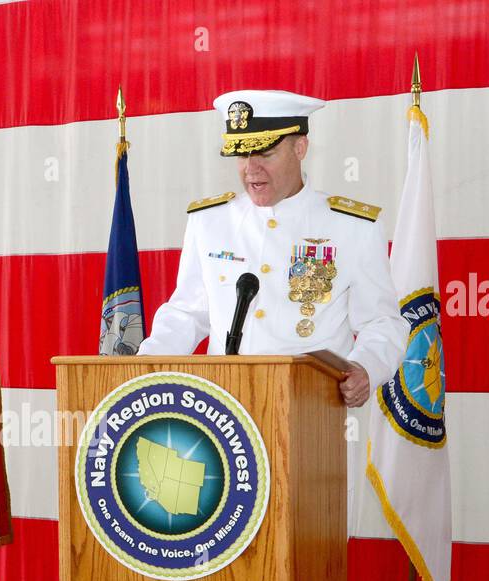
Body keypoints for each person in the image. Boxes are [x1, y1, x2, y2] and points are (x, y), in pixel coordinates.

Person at [138, 90, 406, 408]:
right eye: (241, 155)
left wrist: (365, 368)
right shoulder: (209, 221)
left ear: (300, 147)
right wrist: (144, 367)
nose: (251, 169)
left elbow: (381, 322)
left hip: (311, 411)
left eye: (265, 154)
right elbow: (188, 313)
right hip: (224, 410)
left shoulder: (352, 227)